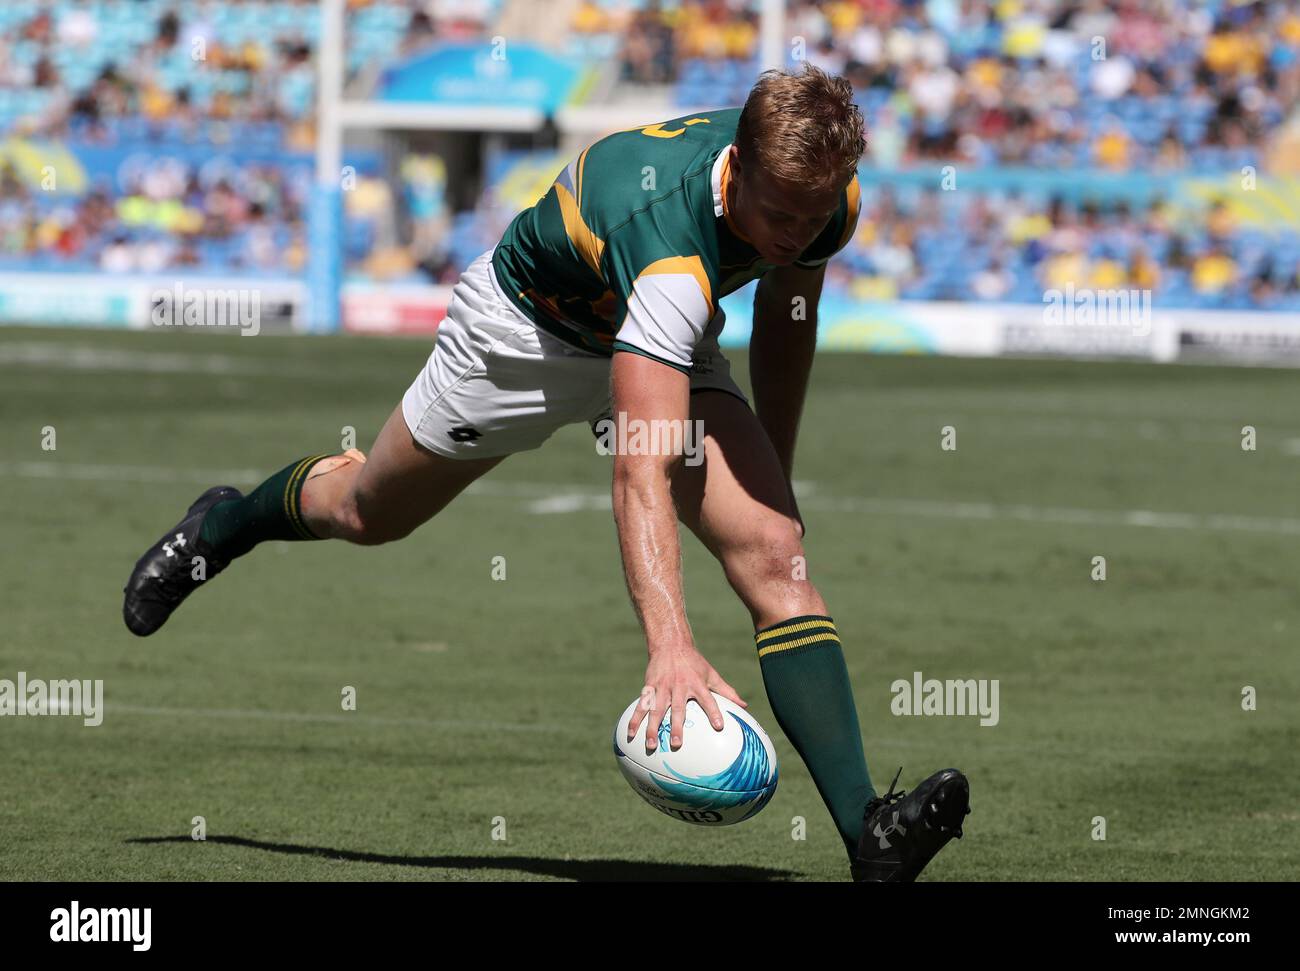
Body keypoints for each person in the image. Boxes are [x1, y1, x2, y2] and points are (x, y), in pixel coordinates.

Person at [122, 64, 969, 881]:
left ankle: (872, 832)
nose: (795, 232)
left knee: (775, 550)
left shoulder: (826, 198)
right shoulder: (667, 240)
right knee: (366, 510)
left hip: (663, 336)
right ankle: (223, 523)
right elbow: (639, 473)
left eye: (812, 215)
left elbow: (789, 317)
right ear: (737, 166)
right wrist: (668, 647)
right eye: (780, 212)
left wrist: (768, 476)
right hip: (524, 335)